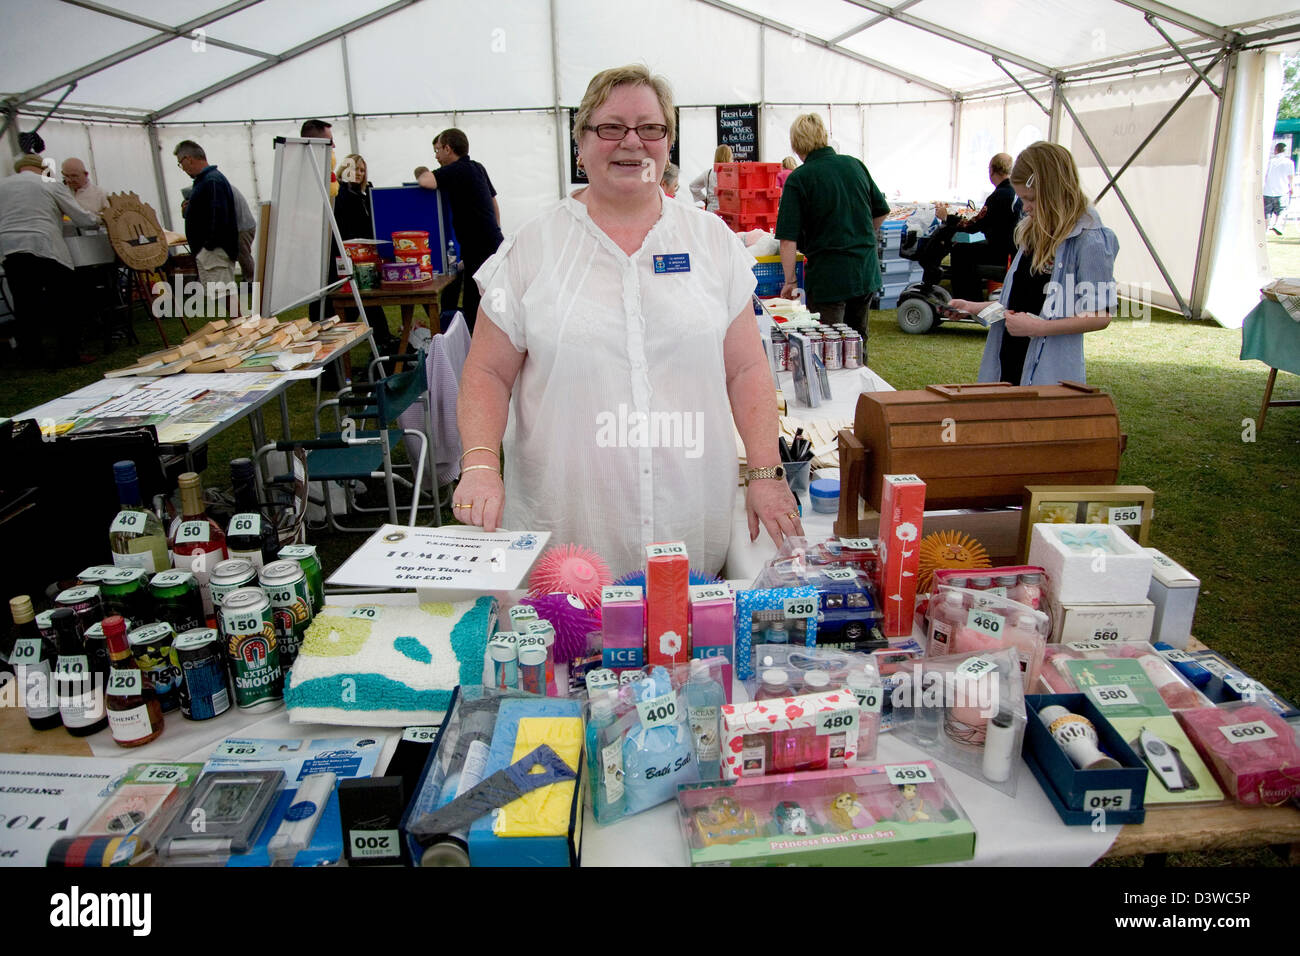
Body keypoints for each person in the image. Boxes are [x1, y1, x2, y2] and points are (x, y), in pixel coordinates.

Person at [450, 64, 800, 577]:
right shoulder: (534, 246)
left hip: (688, 520)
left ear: (668, 142)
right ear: (581, 142)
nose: (631, 143)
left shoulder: (711, 242)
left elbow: (746, 370)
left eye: (650, 128)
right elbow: (487, 372)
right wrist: (480, 464)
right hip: (567, 528)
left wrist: (767, 471)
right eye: (611, 127)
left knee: (684, 652)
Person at [947, 141, 1118, 387]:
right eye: (1022, 199)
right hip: (1008, 366)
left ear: (1054, 191)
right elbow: (1015, 307)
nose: (1025, 207)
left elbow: (1100, 315)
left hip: (1048, 374)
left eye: (1031, 199)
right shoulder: (1032, 233)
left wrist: (1040, 328)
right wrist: (974, 307)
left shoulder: (1090, 238)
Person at [775, 113, 890, 350]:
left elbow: (787, 240)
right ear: (823, 136)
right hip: (864, 269)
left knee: (828, 344)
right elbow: (881, 212)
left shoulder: (800, 178)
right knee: (857, 342)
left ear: (796, 145)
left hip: (829, 275)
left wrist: (790, 280)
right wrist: (862, 235)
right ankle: (860, 384)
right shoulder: (854, 165)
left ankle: (838, 387)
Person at [0, 154, 101, 366]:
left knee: (25, 305)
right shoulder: (49, 184)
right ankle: (68, 353)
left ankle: (31, 356)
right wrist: (99, 219)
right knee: (65, 302)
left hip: (11, 249)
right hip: (44, 246)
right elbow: (81, 217)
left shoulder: (3, 185)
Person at [416, 128, 503, 331]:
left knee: (476, 305)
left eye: (437, 150)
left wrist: (420, 169)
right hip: (492, 242)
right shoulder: (477, 167)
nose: (436, 156)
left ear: (448, 148)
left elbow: (425, 181)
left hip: (479, 248)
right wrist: (496, 230)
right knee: (493, 298)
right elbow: (493, 202)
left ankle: (477, 348)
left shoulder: (456, 170)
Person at [938, 152, 1018, 301]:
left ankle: (967, 299)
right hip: (1009, 249)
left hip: (1000, 252)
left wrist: (948, 217)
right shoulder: (1013, 193)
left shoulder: (998, 196)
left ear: (992, 170)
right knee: (970, 244)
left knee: (960, 249)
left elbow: (973, 227)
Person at [174, 140, 238, 312]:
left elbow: (219, 216)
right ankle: (240, 328)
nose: (183, 168)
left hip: (214, 250)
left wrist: (208, 245)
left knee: (225, 294)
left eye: (181, 163)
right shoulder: (205, 181)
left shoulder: (212, 181)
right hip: (209, 250)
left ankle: (243, 330)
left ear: (188, 159)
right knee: (221, 294)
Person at [1264, 141, 1294, 236]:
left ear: (1276, 150)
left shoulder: (1270, 162)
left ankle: (1266, 227)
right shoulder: (1289, 163)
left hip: (1268, 190)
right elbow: (1291, 177)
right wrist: (1291, 187)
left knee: (1267, 211)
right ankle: (1277, 224)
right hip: (1282, 190)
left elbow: (1265, 175)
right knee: (1281, 210)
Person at [689, 144, 732, 211]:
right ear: (730, 157)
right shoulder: (733, 174)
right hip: (729, 211)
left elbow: (693, 186)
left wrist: (705, 200)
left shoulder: (708, 173)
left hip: (712, 210)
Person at [231, 185, 257, 281]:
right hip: (245, 225)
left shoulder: (221, 188)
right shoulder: (227, 187)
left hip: (243, 227)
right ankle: (248, 279)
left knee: (244, 256)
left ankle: (251, 281)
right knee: (243, 255)